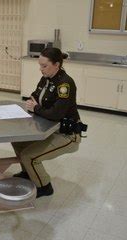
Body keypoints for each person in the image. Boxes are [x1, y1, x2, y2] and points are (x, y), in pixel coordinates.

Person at [12, 47, 84, 198]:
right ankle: (28, 172)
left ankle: (44, 186)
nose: (41, 69)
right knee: (17, 141)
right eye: (40, 65)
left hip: (67, 134)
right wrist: (34, 103)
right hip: (49, 128)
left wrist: (36, 107)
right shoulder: (46, 78)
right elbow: (35, 95)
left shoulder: (65, 84)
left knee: (28, 156)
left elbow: (56, 114)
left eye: (44, 66)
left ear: (57, 64)